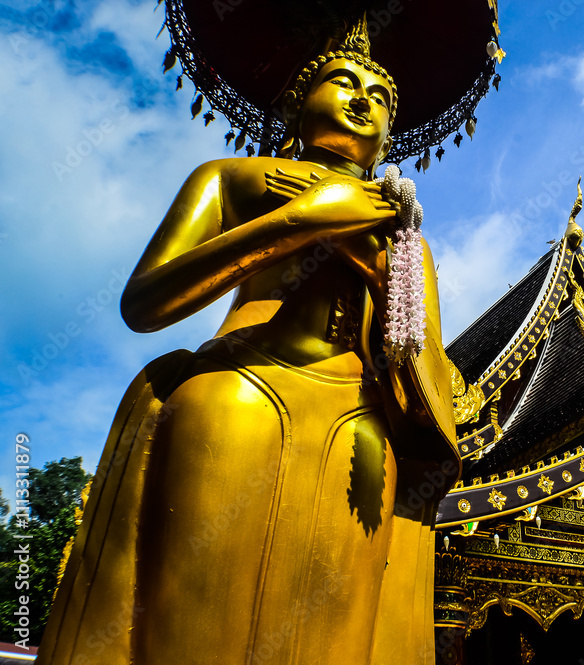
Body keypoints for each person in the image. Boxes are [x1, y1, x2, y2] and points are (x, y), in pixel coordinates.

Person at [36, 23, 458, 665]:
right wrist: (297, 222)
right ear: (294, 102)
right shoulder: (230, 179)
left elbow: (422, 365)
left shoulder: (403, 240)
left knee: (336, 634)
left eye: (379, 96)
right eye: (343, 80)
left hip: (358, 427)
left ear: (388, 136)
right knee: (194, 623)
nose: (361, 98)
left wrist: (374, 262)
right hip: (239, 391)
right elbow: (145, 302)